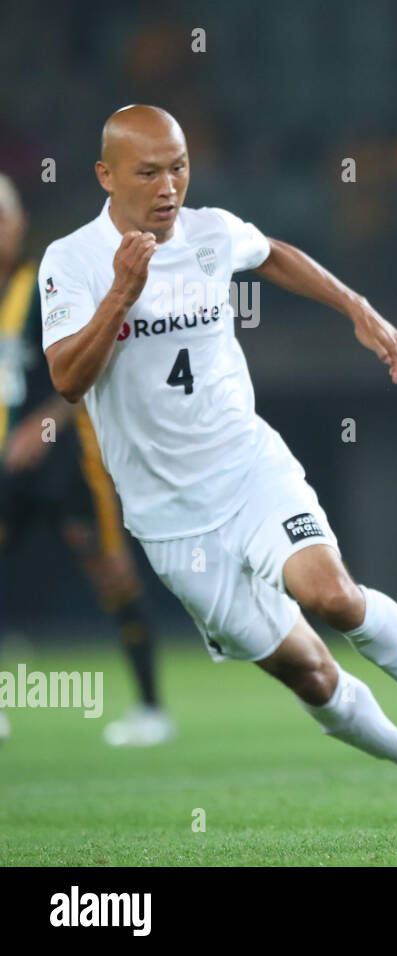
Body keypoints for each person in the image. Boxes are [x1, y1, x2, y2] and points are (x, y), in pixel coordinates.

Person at [39, 105, 397, 818]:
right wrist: (120, 293)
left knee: (333, 596)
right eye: (149, 172)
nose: (169, 186)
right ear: (107, 175)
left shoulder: (210, 231)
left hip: (247, 467)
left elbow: (271, 253)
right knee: (310, 672)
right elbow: (69, 380)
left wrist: (355, 305)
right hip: (172, 523)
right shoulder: (71, 261)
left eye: (179, 167)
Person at [0, 171, 174, 747]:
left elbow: (82, 364)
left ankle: (151, 709)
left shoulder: (46, 281)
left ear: (19, 223)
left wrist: (43, 425)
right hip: (5, 463)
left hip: (66, 456)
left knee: (110, 570)